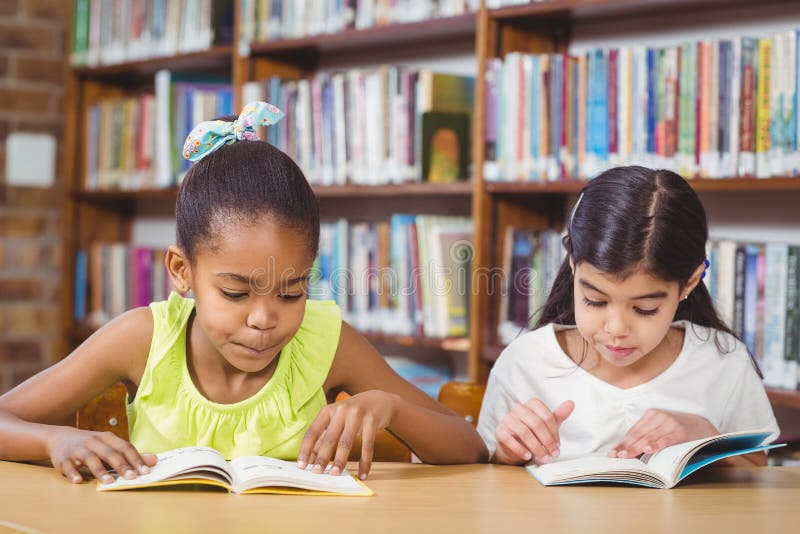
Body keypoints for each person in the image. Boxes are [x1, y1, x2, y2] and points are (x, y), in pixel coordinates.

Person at [0, 102, 487, 484]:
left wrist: (392, 406)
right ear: (181, 270)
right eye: (235, 294)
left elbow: (470, 447)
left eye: (292, 292)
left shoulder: (328, 342)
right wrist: (52, 440)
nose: (263, 319)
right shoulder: (143, 339)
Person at [477, 166, 779, 467]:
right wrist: (507, 453)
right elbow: (485, 475)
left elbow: (757, 473)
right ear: (573, 265)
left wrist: (703, 434)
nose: (617, 329)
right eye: (594, 301)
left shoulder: (722, 362)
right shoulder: (525, 362)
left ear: (689, 281)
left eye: (645, 309)